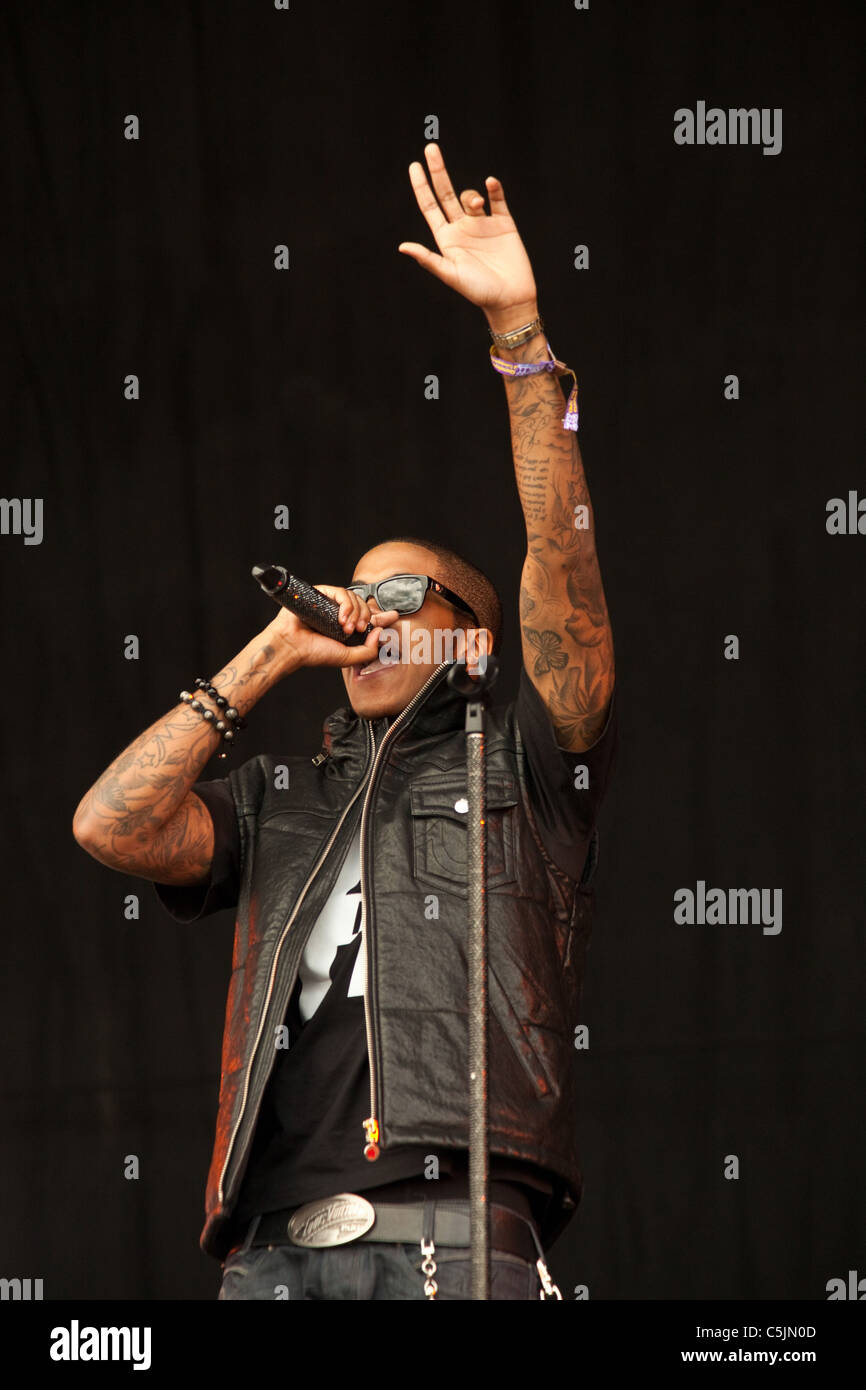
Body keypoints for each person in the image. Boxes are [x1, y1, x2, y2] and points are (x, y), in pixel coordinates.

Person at [72, 142, 617, 1300]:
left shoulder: (516, 766)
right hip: (269, 1252)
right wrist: (274, 647)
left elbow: (557, 573)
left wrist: (518, 336)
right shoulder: (282, 800)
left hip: (451, 1237)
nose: (370, 611)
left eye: (405, 594)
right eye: (355, 590)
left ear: (470, 637)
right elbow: (110, 828)